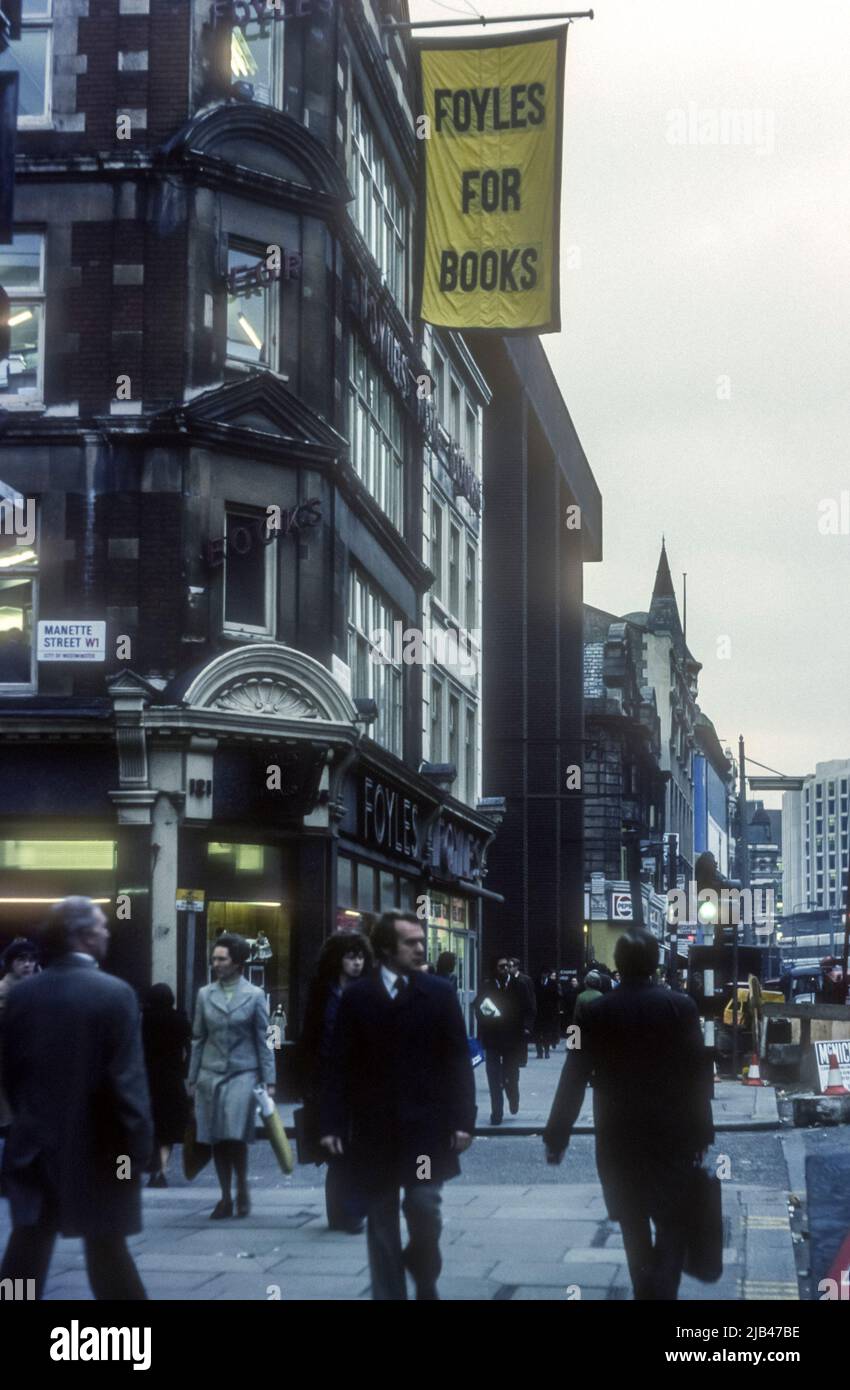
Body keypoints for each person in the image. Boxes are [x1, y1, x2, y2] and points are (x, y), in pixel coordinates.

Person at [543, 929, 714, 1301]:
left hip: (618, 1137)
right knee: (672, 1223)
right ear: (656, 963)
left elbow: (573, 1075)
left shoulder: (593, 1012)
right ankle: (661, 1291)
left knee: (633, 1224)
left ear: (617, 965)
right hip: (674, 1137)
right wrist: (703, 1133)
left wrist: (557, 1135)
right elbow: (697, 1075)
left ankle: (645, 1290)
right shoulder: (681, 1007)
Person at [0, 898, 152, 1300]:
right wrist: (136, 1152)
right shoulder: (116, 994)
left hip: (34, 1146)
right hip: (101, 1151)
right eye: (101, 926)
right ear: (82, 935)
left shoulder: (22, 996)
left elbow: (11, 1076)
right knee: (108, 1253)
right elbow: (128, 1085)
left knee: (26, 1252)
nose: (106, 931)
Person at [320, 911, 475, 1301]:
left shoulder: (438, 993)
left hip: (426, 1130)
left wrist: (463, 1120)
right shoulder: (358, 997)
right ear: (387, 948)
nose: (421, 947)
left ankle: (425, 1276)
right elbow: (338, 1064)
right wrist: (333, 1123)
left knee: (424, 1209)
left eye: (422, 940)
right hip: (376, 1132)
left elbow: (458, 1060)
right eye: (411, 942)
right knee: (381, 1219)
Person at [188, 932, 275, 1219]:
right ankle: (225, 1196)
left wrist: (269, 1079)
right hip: (210, 1074)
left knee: (234, 1135)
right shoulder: (204, 994)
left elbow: (263, 1039)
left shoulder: (255, 995)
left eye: (221, 959)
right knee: (216, 1138)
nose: (216, 963)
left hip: (243, 1073)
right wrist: (192, 1078)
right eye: (214, 959)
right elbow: (198, 1038)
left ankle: (242, 1187)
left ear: (238, 963)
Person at [299, 930, 373, 1233]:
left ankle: (353, 1212)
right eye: (350, 956)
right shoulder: (322, 992)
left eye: (360, 957)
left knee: (358, 1149)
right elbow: (309, 1036)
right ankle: (337, 1214)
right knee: (334, 1152)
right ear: (337, 959)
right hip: (327, 1080)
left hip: (362, 1082)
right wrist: (306, 1081)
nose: (357, 963)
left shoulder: (370, 991)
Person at [141, 983, 192, 1188]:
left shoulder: (145, 1019)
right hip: (172, 1079)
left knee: (151, 1127)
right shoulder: (179, 1019)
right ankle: (161, 1170)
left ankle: (126, 1173)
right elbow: (191, 1047)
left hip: (147, 1079)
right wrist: (186, 1070)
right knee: (168, 1130)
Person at [474, 955, 535, 1124]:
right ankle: (497, 1113)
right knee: (493, 1076)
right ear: (495, 969)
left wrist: (526, 1027)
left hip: (513, 1038)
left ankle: (513, 1096)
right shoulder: (487, 986)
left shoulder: (519, 986)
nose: (505, 969)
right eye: (501, 967)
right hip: (493, 1038)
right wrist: (487, 1018)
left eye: (507, 966)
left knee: (511, 1075)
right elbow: (478, 1008)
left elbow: (529, 1009)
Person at [0, 939, 39, 1132]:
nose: (27, 964)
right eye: (21, 959)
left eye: (31, 959)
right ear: (10, 963)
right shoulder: (3, 992)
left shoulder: (36, 989)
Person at [534, 969, 562, 1058]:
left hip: (548, 1013)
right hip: (538, 1012)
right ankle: (539, 1052)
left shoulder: (553, 983)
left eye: (545, 973)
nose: (544, 975)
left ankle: (546, 1051)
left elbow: (557, 997)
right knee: (537, 1033)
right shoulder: (535, 982)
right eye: (543, 973)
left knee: (547, 1033)